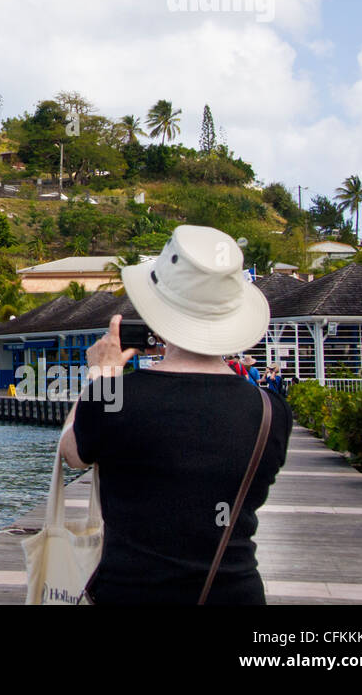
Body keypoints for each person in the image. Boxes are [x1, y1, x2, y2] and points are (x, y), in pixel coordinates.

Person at [60, 225, 292, 605]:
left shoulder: (118, 398)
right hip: (234, 593)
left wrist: (102, 375)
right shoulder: (270, 411)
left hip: (131, 594)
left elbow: (72, 452)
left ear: (158, 317)